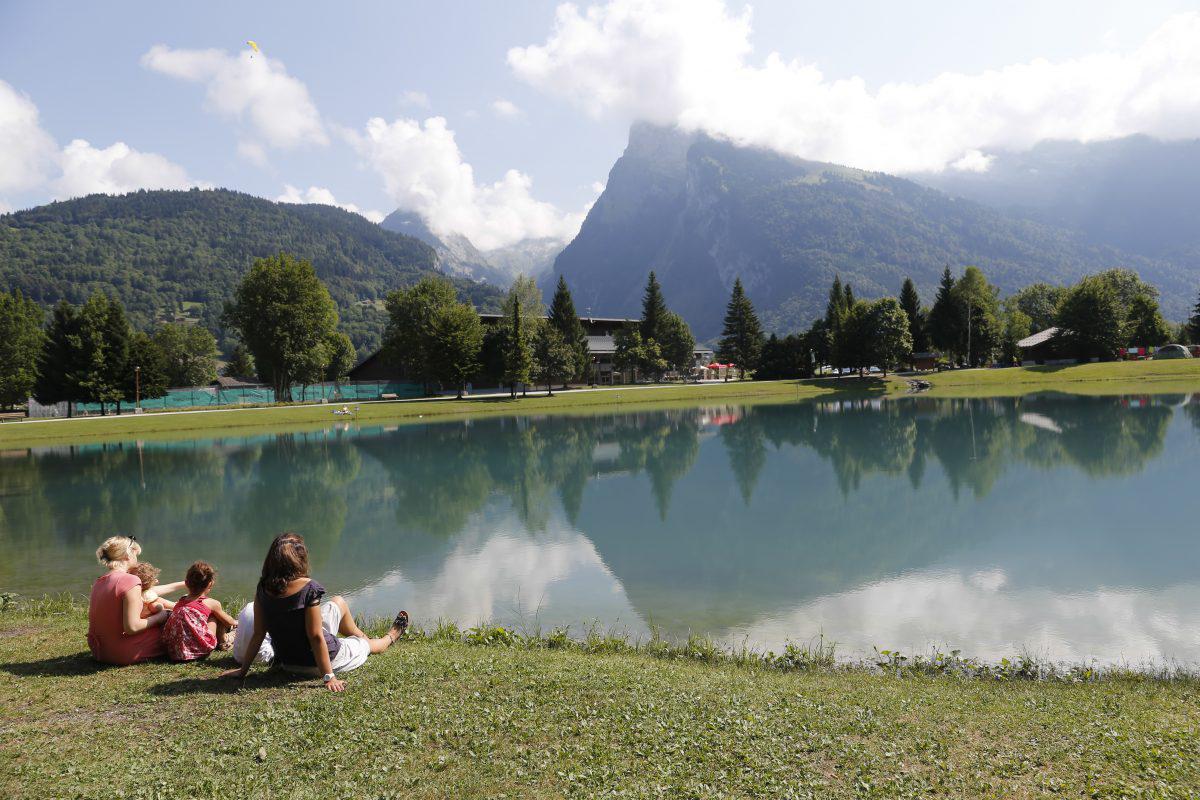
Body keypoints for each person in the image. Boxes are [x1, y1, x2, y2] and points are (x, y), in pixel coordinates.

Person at [223, 533, 408, 692]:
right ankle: (388, 637)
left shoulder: (263, 589)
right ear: (300, 559)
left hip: (288, 662)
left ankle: (361, 636)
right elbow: (315, 636)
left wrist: (243, 671)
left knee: (337, 602)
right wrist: (329, 677)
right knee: (364, 644)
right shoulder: (309, 589)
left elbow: (258, 634)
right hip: (321, 663)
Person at [88, 536, 181, 664]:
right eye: (136, 555)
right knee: (176, 627)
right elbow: (132, 627)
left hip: (100, 652)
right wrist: (161, 617)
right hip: (123, 653)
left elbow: (146, 593)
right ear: (127, 555)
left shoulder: (99, 581)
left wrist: (182, 584)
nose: (137, 560)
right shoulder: (131, 580)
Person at [162, 561, 238, 662]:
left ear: (186, 583)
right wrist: (236, 621)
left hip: (174, 652)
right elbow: (229, 622)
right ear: (210, 584)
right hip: (200, 651)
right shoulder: (211, 603)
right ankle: (224, 641)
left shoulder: (181, 602)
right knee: (214, 615)